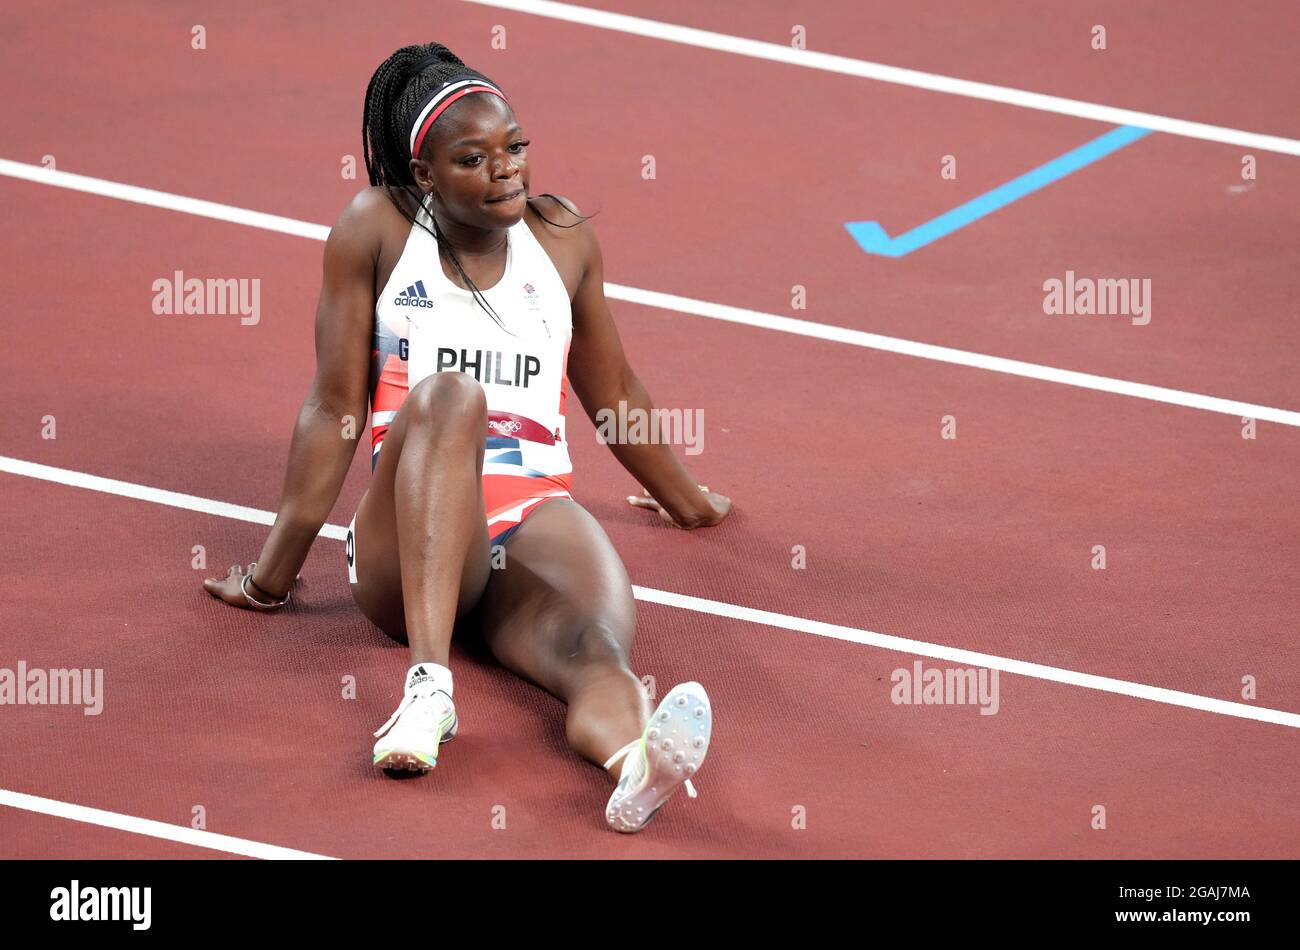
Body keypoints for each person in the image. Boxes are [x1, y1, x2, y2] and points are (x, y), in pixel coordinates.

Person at [203, 42, 731, 833]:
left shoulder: (562, 239)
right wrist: (272, 577)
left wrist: (689, 504)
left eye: (515, 148)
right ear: (425, 176)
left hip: (528, 514)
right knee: (452, 398)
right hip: (406, 535)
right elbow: (333, 407)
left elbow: (612, 389)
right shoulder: (377, 230)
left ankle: (634, 765)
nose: (506, 170)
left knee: (595, 648)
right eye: (474, 158)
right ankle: (428, 688)